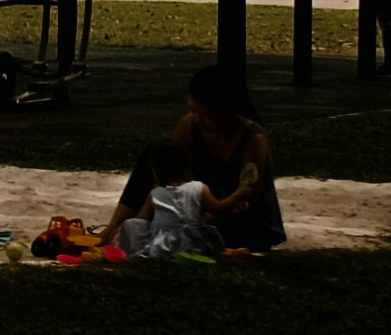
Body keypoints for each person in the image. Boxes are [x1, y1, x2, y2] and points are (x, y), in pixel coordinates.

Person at [112, 66, 282, 254]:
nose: (199, 120)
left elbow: (246, 199)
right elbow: (167, 170)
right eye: (194, 111)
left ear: (228, 111)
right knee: (157, 153)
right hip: (193, 213)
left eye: (207, 115)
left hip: (236, 221)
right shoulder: (190, 125)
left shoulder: (252, 139)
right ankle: (112, 228)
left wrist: (194, 218)